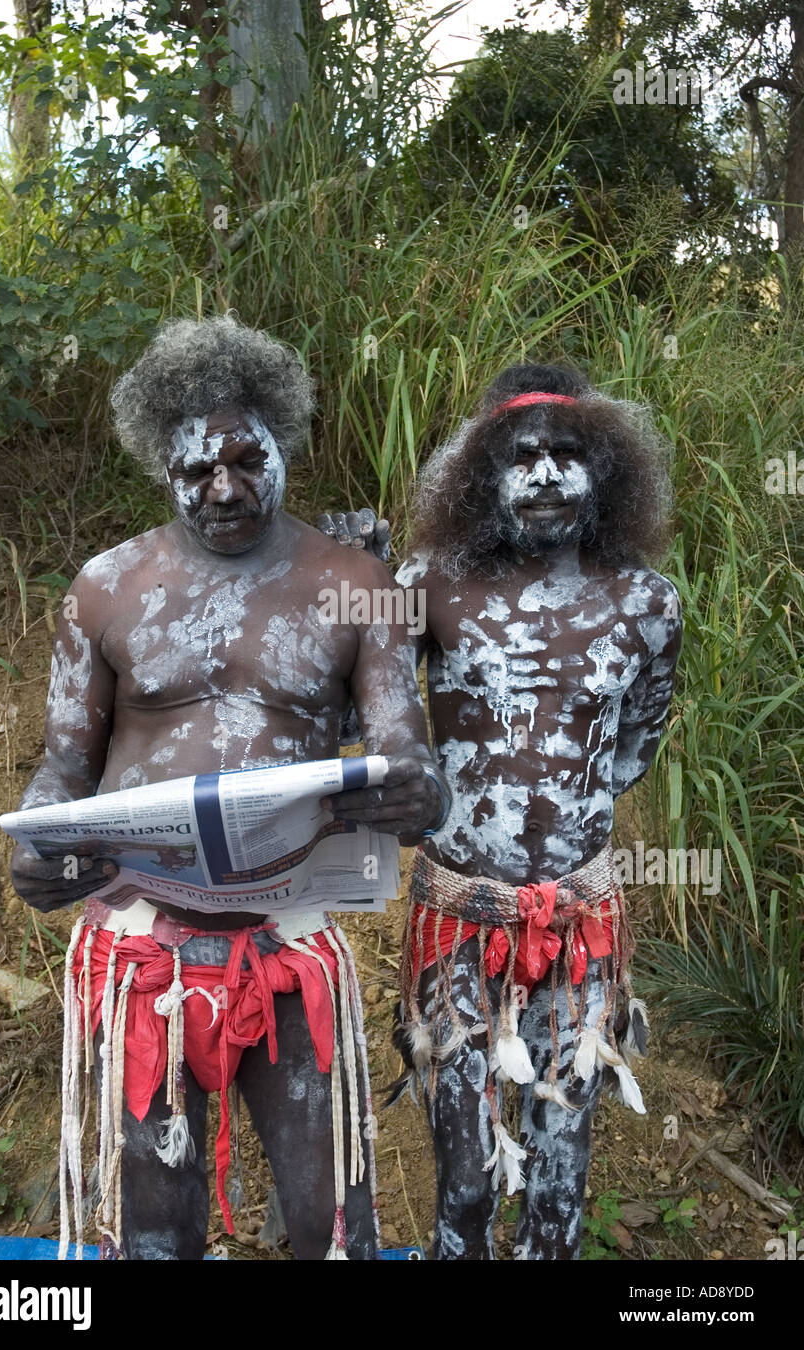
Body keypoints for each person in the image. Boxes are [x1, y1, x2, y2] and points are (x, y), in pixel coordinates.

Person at [9, 313, 445, 1261]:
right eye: (195, 471)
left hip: (289, 944)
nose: (223, 488)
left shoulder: (356, 584)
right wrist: (40, 843)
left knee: (331, 1229)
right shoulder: (106, 586)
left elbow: (410, 751)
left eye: (248, 460)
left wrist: (421, 797)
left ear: (284, 446)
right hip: (144, 950)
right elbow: (63, 765)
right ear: (160, 470)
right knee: (155, 1236)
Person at [319, 362, 681, 1260]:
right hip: (457, 924)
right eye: (525, 456)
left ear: (607, 471)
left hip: (580, 924)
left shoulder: (647, 605)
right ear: (485, 472)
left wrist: (561, 827)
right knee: (467, 1179)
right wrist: (354, 576)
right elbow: (349, 712)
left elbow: (635, 748)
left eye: (569, 454)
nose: (548, 475)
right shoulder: (426, 584)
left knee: (559, 1173)